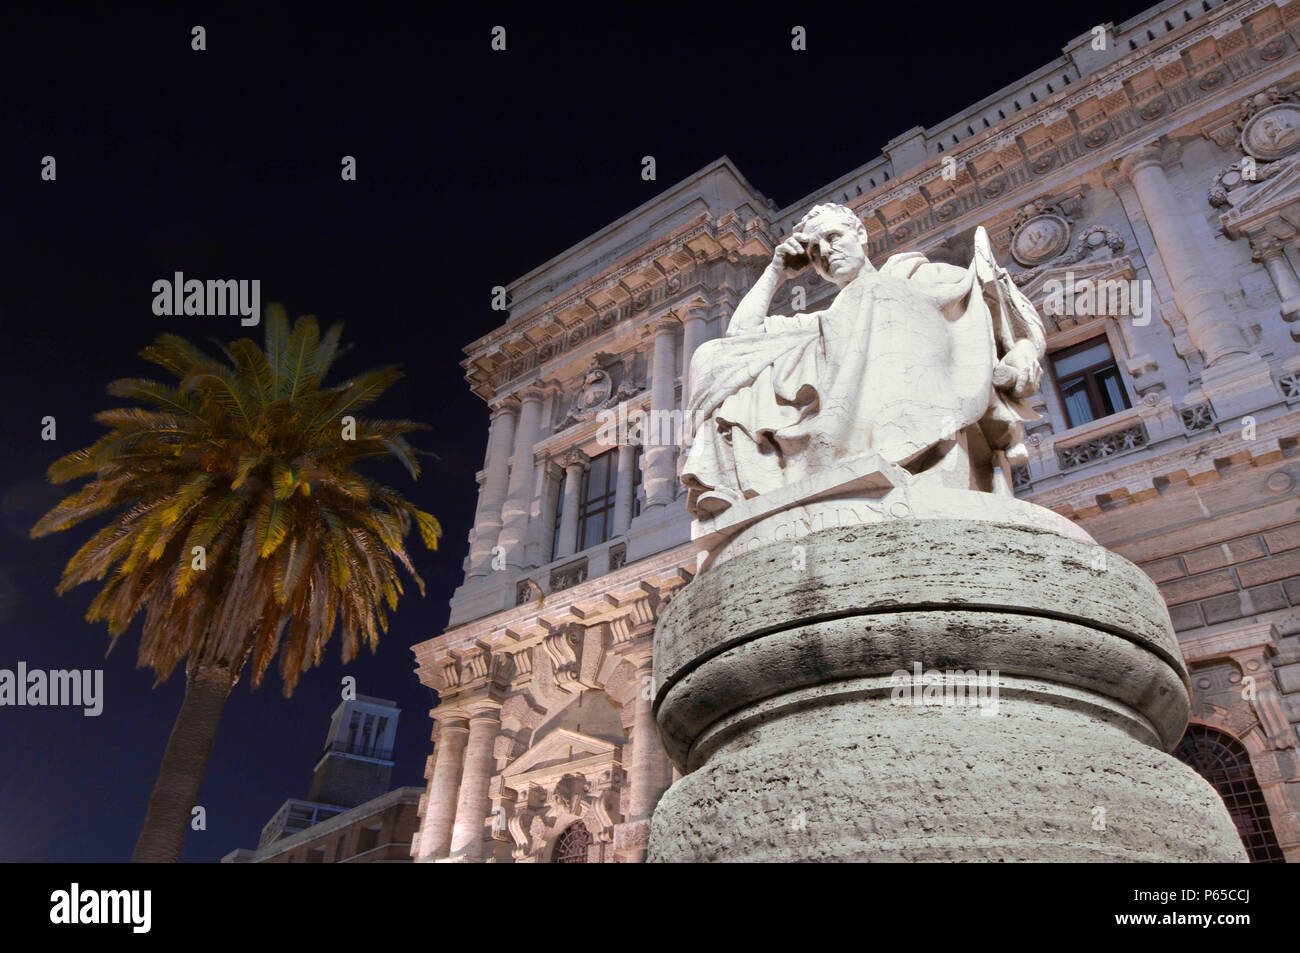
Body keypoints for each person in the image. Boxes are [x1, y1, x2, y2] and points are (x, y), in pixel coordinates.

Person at [680, 202, 1045, 518]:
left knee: (879, 291)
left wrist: (1024, 349)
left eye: (834, 238)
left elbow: (998, 309)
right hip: (832, 421)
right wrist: (776, 270)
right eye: (814, 253)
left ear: (861, 236)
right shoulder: (825, 322)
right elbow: (741, 336)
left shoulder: (913, 275)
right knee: (710, 356)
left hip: (930, 406)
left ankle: (896, 450)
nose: (825, 253)